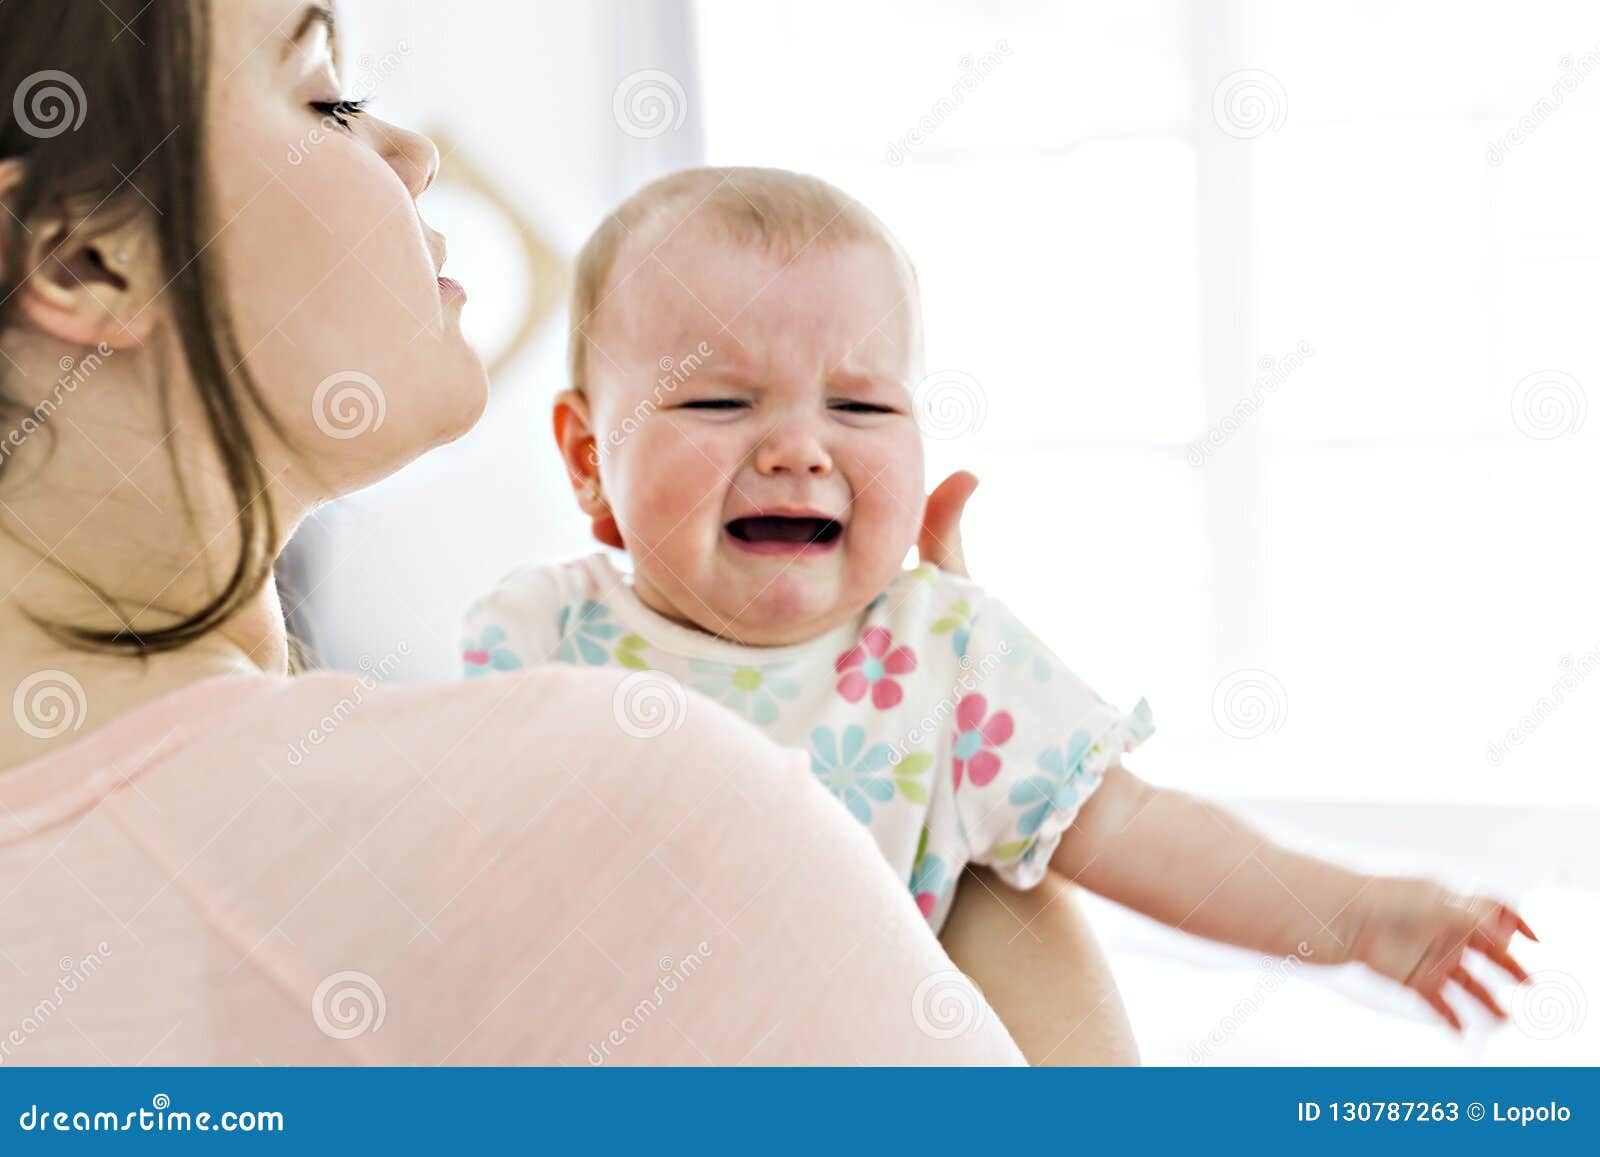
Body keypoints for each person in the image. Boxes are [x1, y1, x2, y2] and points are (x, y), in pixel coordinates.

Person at [0, 0, 1132, 1064]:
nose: (411, 154)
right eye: (325, 100)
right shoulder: (605, 803)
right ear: (81, 259)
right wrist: (963, 753)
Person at [464, 166, 1537, 1042]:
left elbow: (1131, 825)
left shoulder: (942, 655)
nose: (798, 447)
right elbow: (453, 861)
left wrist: (1352, 913)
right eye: (716, 400)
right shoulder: (542, 634)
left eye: (860, 402)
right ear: (587, 460)